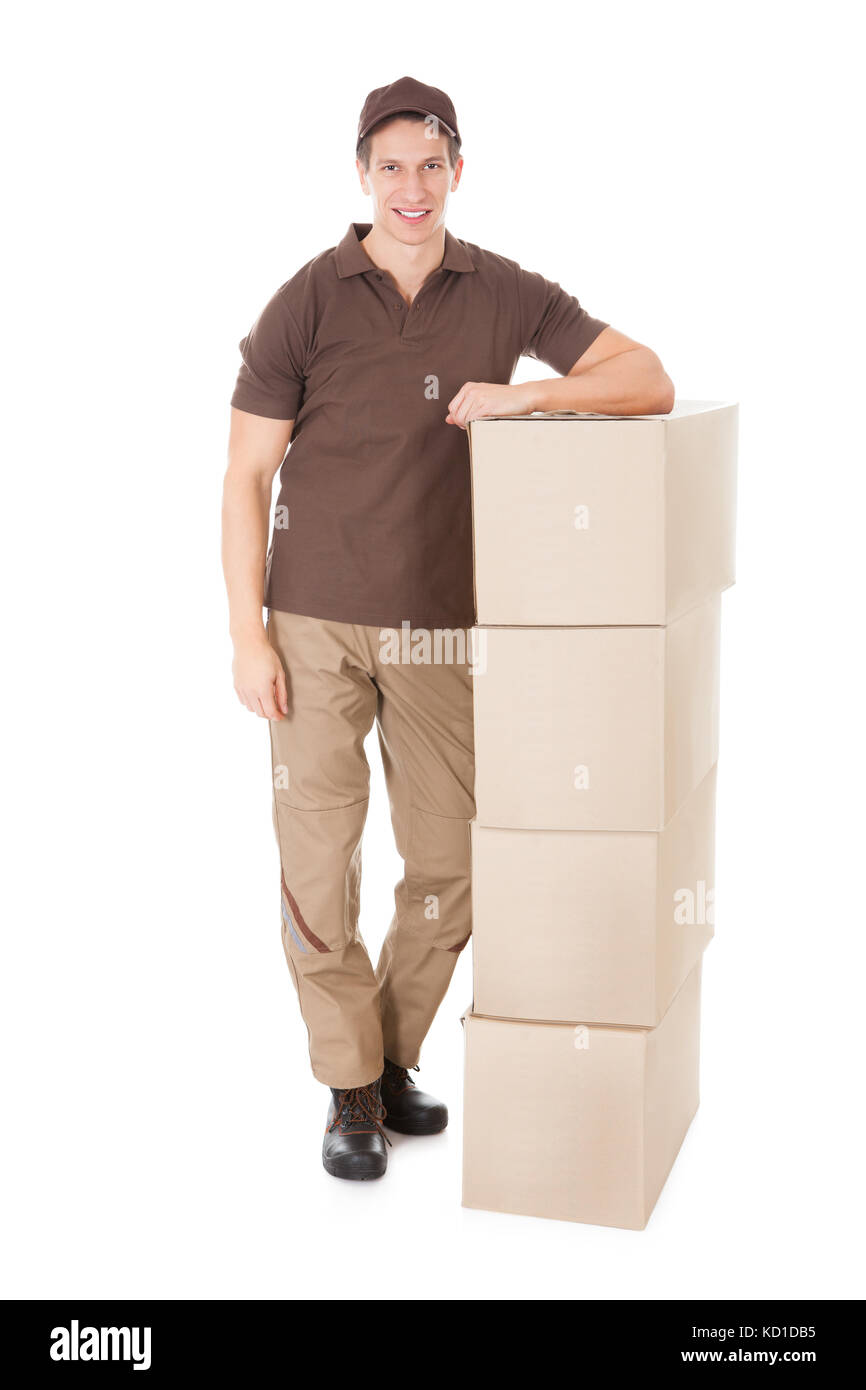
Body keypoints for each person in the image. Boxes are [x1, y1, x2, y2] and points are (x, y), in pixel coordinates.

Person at [222, 75, 674, 1182]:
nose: (411, 186)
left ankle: (386, 1058)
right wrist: (247, 636)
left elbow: (645, 379)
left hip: (439, 631)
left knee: (452, 862)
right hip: (315, 624)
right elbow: (243, 477)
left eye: (431, 164)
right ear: (362, 175)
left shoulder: (502, 291)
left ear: (457, 169)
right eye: (390, 167)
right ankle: (347, 1087)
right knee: (318, 866)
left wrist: (526, 396)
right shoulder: (308, 300)